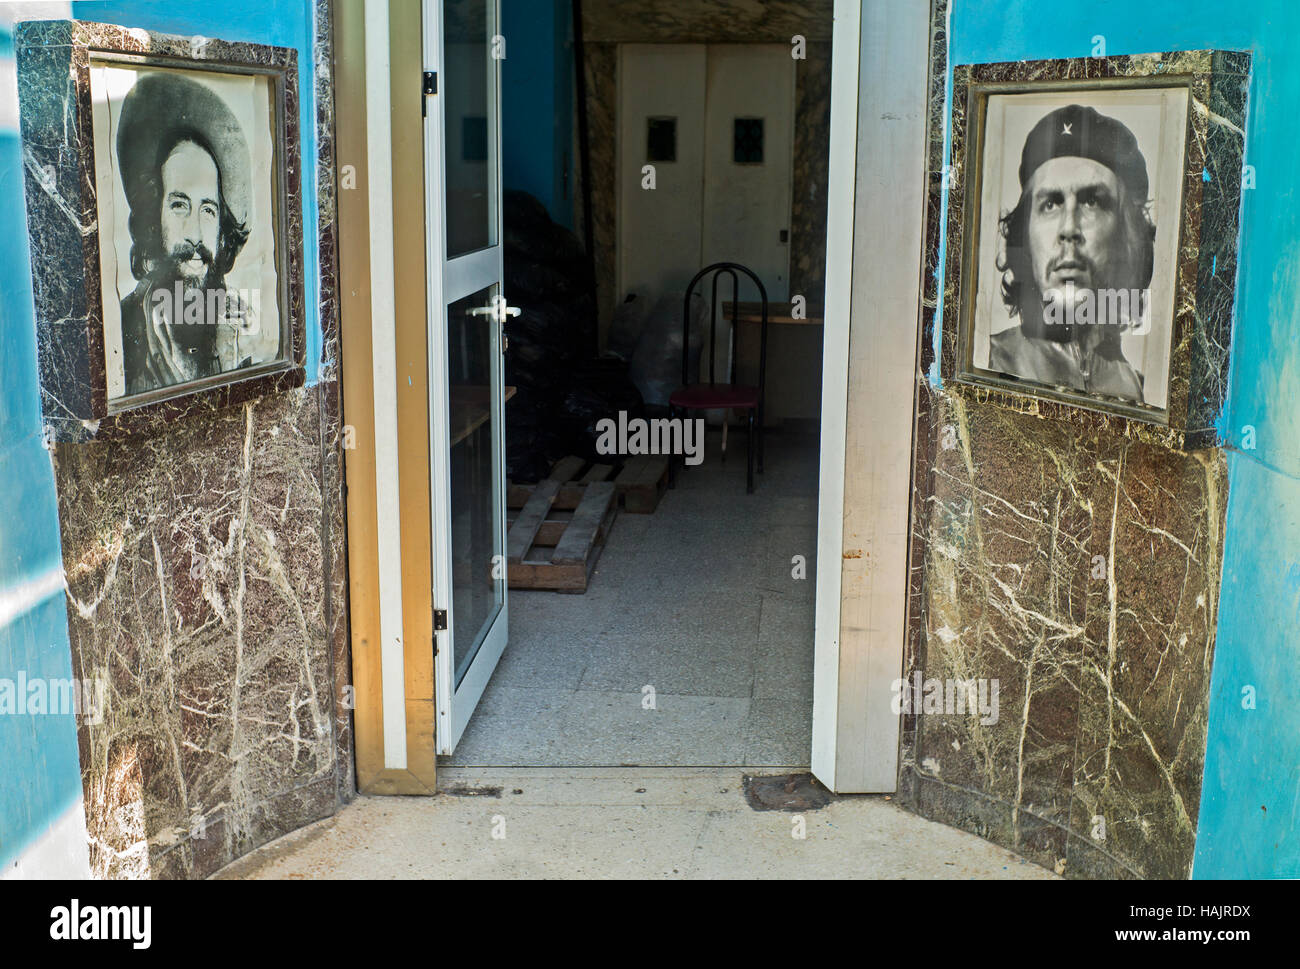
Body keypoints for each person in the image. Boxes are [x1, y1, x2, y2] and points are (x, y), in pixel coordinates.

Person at [988, 103, 1156, 403]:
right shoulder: (990, 363)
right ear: (1025, 235)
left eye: (1092, 201)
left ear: (1125, 235)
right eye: (1050, 204)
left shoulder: (1136, 388)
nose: (1068, 228)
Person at [115, 72, 255, 396]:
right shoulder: (122, 327)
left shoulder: (243, 329)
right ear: (155, 218)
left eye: (208, 210)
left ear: (222, 233)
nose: (194, 233)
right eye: (179, 205)